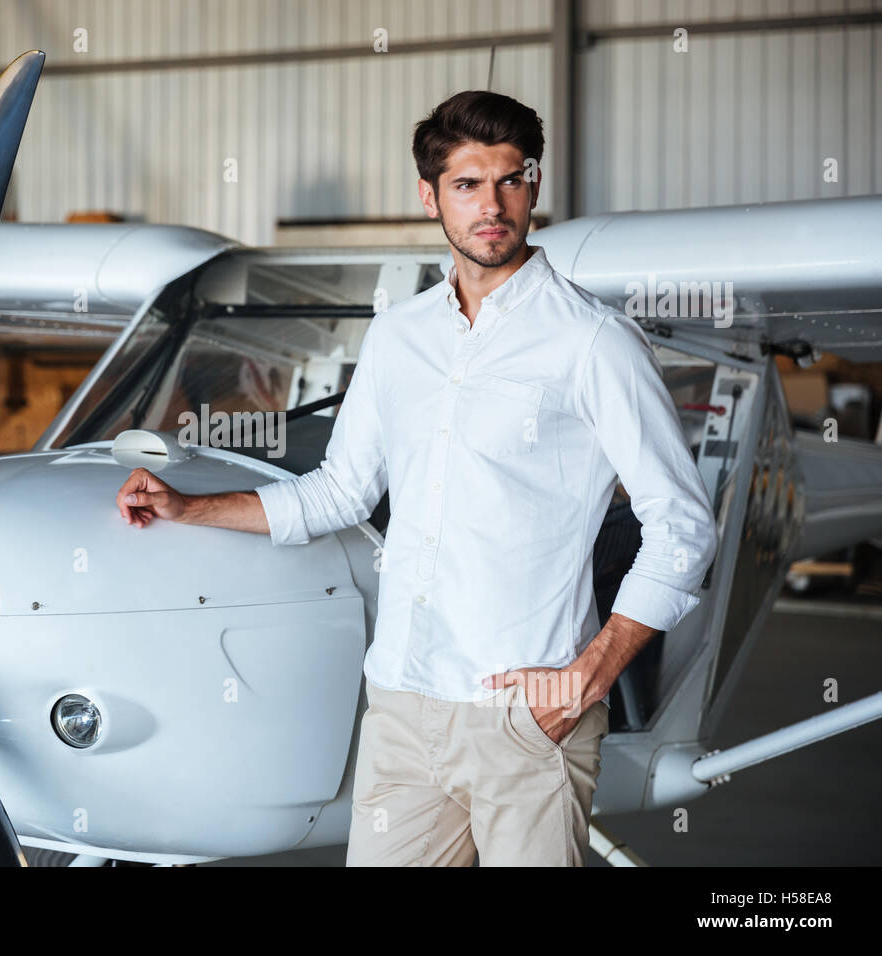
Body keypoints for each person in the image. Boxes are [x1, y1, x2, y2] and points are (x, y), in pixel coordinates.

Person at [113, 90, 718, 866]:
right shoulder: (400, 337)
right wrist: (186, 507)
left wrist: (588, 677)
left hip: (523, 716)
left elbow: (682, 524)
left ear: (535, 185)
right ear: (430, 196)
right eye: (467, 184)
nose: (492, 206)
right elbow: (338, 492)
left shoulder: (592, 342)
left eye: (510, 180)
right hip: (401, 705)